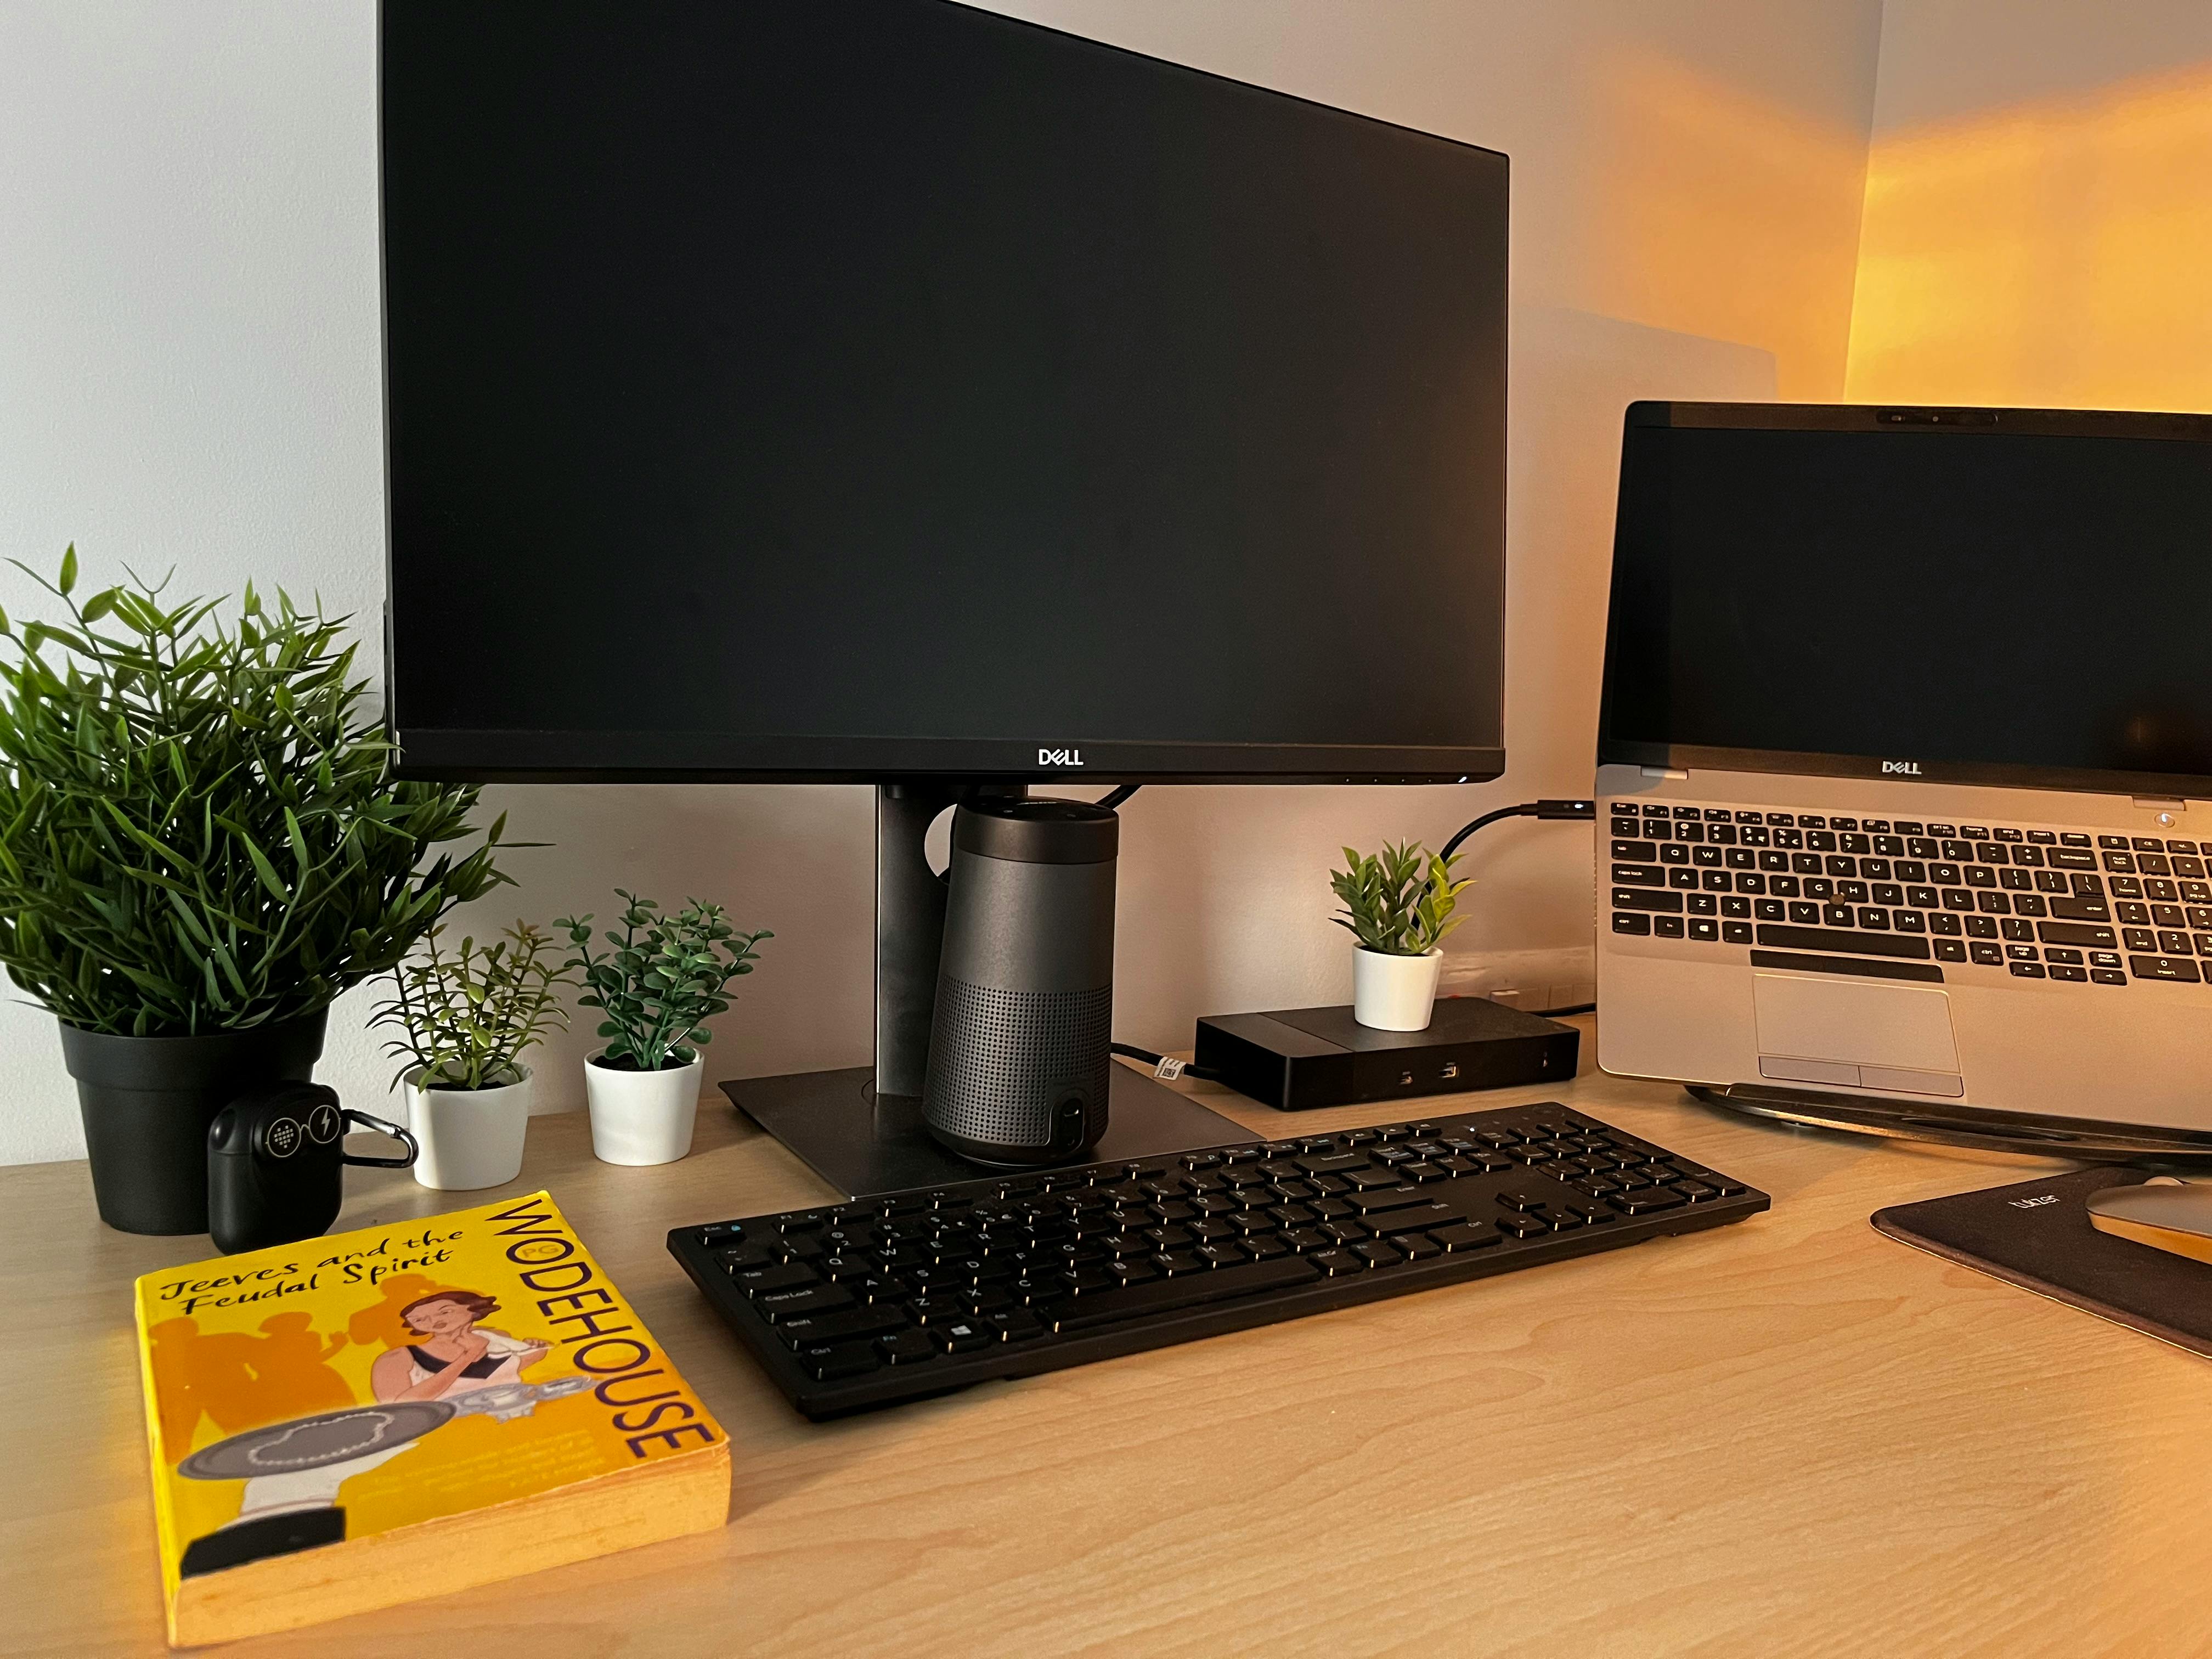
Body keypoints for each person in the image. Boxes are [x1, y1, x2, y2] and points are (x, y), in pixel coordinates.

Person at [368, 1290, 549, 1404]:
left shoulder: (493, 1337)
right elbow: (399, 1408)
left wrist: (538, 1349)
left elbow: (506, 1371)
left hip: (513, 1412)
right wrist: (469, 1355)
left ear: (472, 1309)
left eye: (445, 1312)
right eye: (419, 1319)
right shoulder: (398, 1358)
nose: (434, 1321)